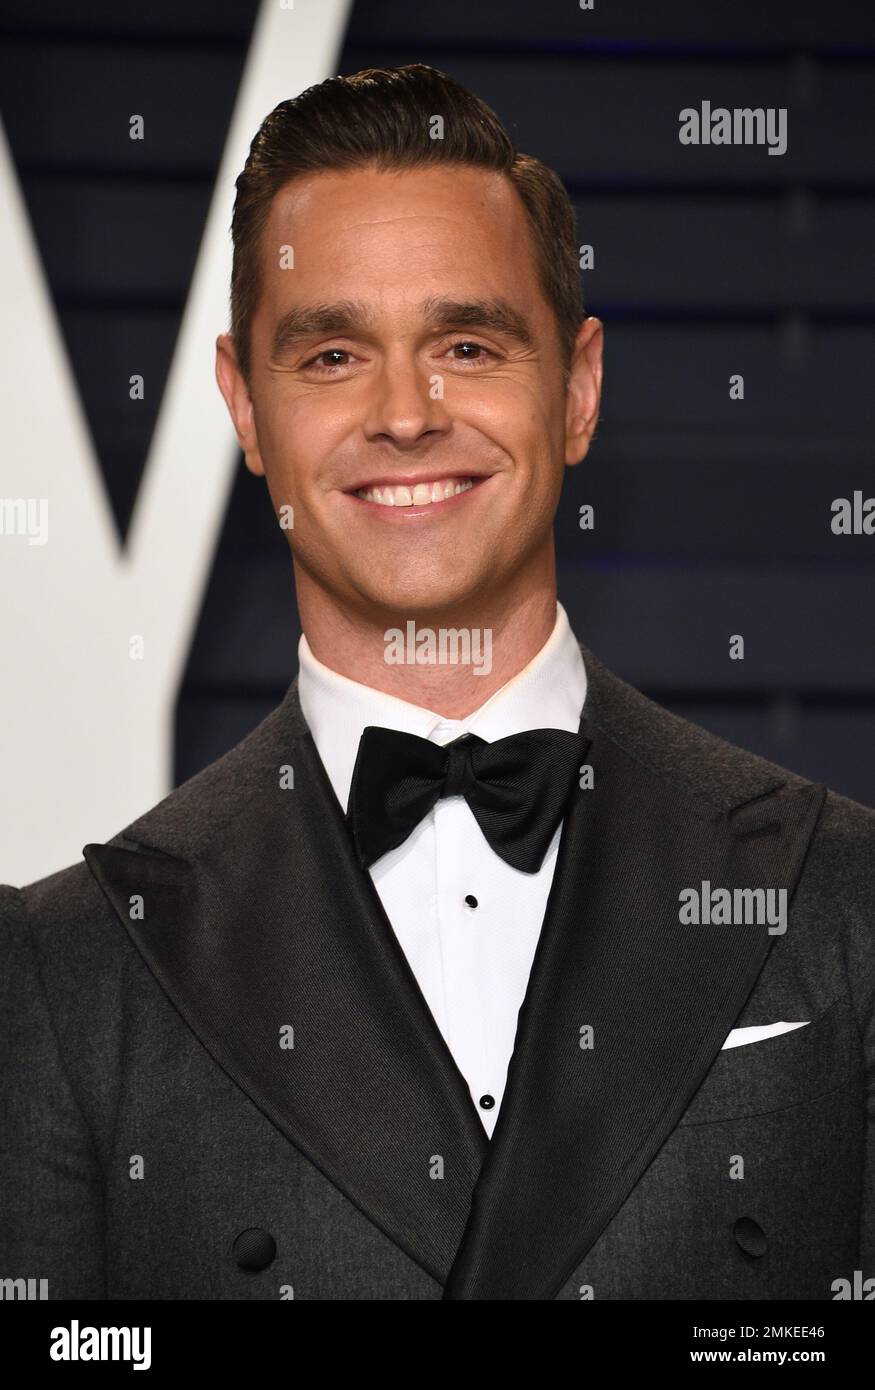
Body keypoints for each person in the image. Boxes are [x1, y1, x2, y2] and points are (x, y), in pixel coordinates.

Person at [1, 65, 872, 1301]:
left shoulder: (843, 904)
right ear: (245, 407)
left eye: (466, 344)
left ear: (575, 389)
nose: (405, 413)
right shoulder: (61, 973)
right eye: (332, 354)